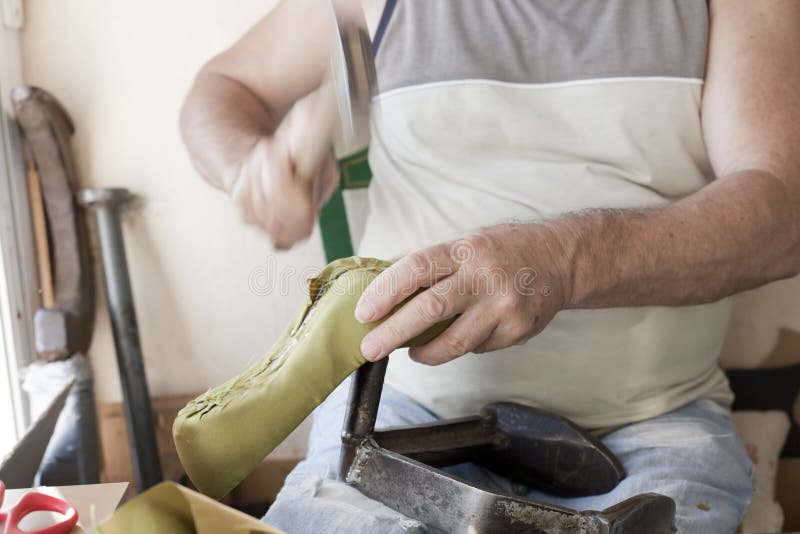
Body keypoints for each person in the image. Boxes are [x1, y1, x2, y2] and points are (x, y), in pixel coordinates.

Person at [179, 1, 800, 532]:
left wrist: (563, 261)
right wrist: (246, 164)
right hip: (396, 411)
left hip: (653, 422)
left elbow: (783, 212)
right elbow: (225, 87)